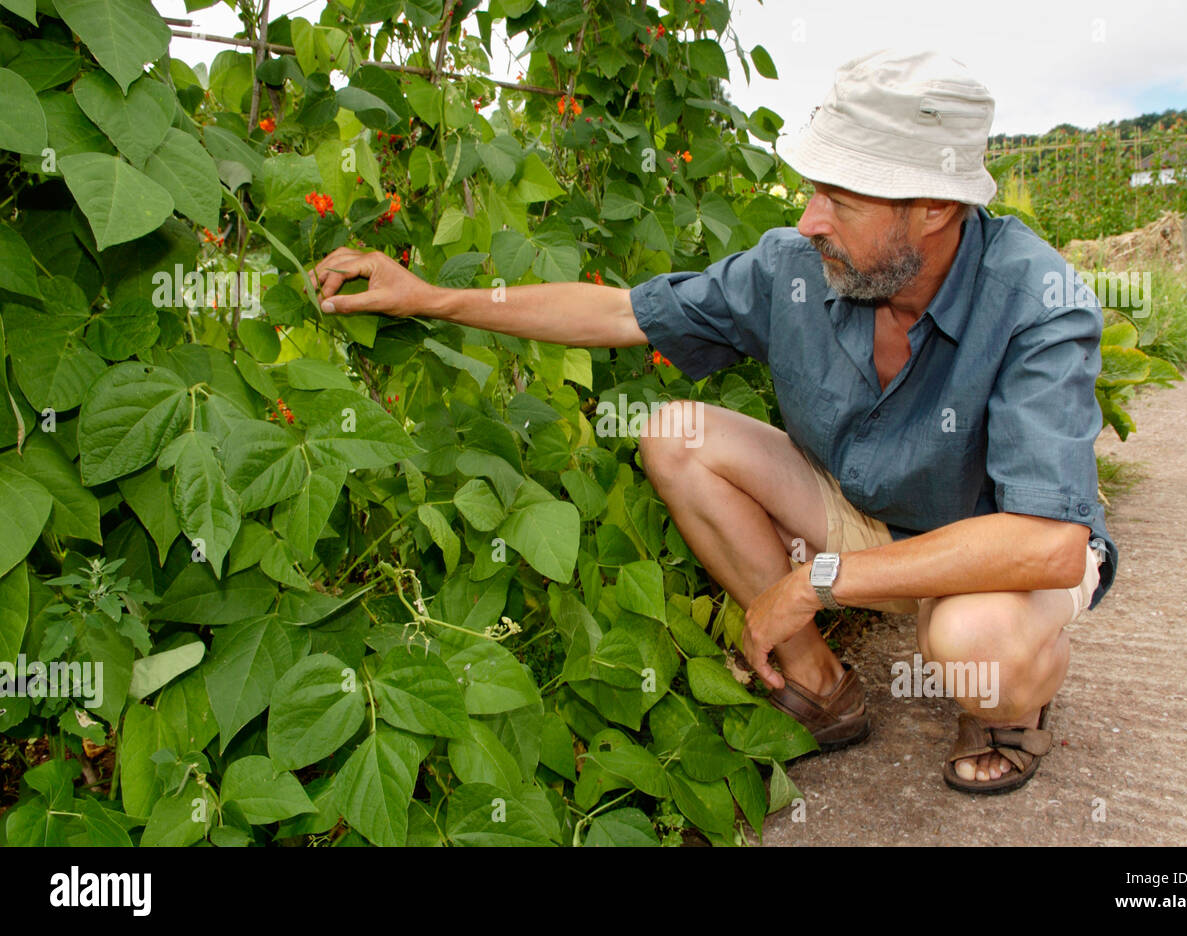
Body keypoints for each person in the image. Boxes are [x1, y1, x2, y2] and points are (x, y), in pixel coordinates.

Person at [308, 49, 1117, 795]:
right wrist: (428, 297)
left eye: (838, 196)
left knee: (976, 644)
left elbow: (1050, 542)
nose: (809, 218)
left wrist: (816, 581)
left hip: (989, 555)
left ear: (935, 206)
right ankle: (819, 684)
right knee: (677, 435)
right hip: (870, 514)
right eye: (812, 189)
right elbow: (619, 313)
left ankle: (1012, 709)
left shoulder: (1036, 302)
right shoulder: (797, 268)